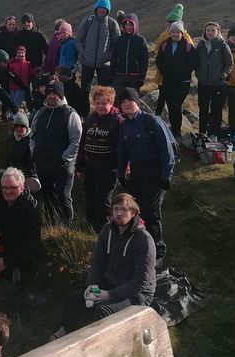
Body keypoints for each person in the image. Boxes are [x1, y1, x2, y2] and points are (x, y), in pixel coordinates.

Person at [50, 193, 156, 338]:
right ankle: (63, 331)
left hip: (136, 293)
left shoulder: (144, 240)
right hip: (109, 282)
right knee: (73, 299)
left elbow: (142, 280)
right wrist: (91, 284)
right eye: (116, 209)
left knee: (103, 311)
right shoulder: (107, 230)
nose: (119, 213)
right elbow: (98, 262)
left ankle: (97, 344)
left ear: (133, 213)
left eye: (124, 210)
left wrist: (110, 295)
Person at [117, 90, 175, 266]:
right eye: (123, 102)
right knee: (136, 210)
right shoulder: (125, 125)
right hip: (137, 171)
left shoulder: (152, 121)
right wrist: (121, 172)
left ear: (137, 102)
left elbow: (167, 150)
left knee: (151, 211)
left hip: (155, 170)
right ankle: (140, 246)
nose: (126, 104)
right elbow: (123, 151)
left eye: (130, 100)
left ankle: (157, 251)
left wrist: (166, 176)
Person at [0, 168, 41, 317]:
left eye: (12, 187)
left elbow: (32, 247)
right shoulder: (0, 206)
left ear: (21, 188)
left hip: (14, 268)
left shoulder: (30, 212)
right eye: (4, 188)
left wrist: (6, 262)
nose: (7, 191)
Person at [30, 79, 83, 223]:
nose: (52, 96)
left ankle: (67, 225)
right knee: (47, 195)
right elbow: (32, 134)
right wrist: (34, 152)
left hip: (62, 165)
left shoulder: (70, 113)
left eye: (55, 93)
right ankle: (51, 223)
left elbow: (76, 140)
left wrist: (64, 158)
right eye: (49, 93)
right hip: (42, 162)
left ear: (61, 95)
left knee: (63, 196)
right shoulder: (41, 112)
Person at [76, 86, 124, 231]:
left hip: (108, 167)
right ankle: (90, 226)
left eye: (104, 103)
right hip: (90, 165)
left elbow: (122, 147)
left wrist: (121, 168)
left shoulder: (117, 120)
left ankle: (105, 230)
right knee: (90, 196)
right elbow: (83, 143)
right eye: (97, 103)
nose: (100, 106)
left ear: (111, 102)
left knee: (104, 201)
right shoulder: (90, 118)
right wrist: (80, 166)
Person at [155, 21, 197, 138]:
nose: (175, 34)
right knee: (170, 106)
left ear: (182, 33)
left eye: (177, 32)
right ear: (170, 33)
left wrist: (183, 72)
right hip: (168, 81)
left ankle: (177, 132)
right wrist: (164, 71)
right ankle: (174, 131)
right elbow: (159, 60)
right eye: (173, 32)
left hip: (183, 82)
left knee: (176, 105)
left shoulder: (188, 46)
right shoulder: (164, 45)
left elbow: (194, 62)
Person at [152, 4, 193, 118]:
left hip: (178, 78)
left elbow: (190, 56)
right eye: (168, 21)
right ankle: (158, 117)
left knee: (174, 102)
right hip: (163, 74)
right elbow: (157, 50)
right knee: (162, 96)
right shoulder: (165, 34)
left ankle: (174, 122)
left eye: (172, 21)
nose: (169, 24)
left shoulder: (185, 37)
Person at [195, 22, 234, 136]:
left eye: (213, 30)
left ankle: (214, 133)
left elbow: (230, 64)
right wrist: (199, 74)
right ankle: (202, 133)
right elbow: (196, 62)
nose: (210, 32)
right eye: (208, 30)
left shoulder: (223, 45)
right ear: (205, 31)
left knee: (216, 109)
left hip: (218, 84)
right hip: (203, 83)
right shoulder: (201, 45)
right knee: (203, 109)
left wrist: (222, 75)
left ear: (218, 32)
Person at [75, 0, 121, 93]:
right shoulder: (88, 21)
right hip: (87, 62)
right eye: (100, 7)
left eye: (105, 8)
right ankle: (84, 104)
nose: (102, 10)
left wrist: (109, 56)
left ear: (108, 10)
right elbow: (78, 39)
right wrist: (83, 52)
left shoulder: (112, 23)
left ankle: (102, 104)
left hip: (104, 64)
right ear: (96, 8)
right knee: (84, 90)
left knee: (104, 91)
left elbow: (117, 43)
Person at [111, 14, 149, 97]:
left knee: (132, 101)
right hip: (120, 76)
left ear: (135, 25)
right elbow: (114, 58)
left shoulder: (141, 40)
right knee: (118, 100)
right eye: (127, 25)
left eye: (131, 25)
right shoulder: (119, 40)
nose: (129, 27)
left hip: (134, 78)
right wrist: (111, 74)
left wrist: (141, 78)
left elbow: (144, 61)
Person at [5, 112, 35, 178]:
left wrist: (23, 174)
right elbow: (7, 156)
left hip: (27, 175)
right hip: (13, 173)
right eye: (16, 126)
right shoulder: (11, 138)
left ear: (26, 127)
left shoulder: (32, 140)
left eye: (22, 126)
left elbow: (33, 164)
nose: (18, 128)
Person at [8, 47, 32, 111]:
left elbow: (30, 74)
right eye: (18, 53)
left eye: (22, 53)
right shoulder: (12, 63)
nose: (20, 54)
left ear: (25, 54)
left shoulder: (27, 64)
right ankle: (11, 114)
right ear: (16, 54)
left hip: (22, 87)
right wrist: (13, 59)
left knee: (16, 103)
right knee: (11, 102)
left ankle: (14, 114)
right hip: (12, 86)